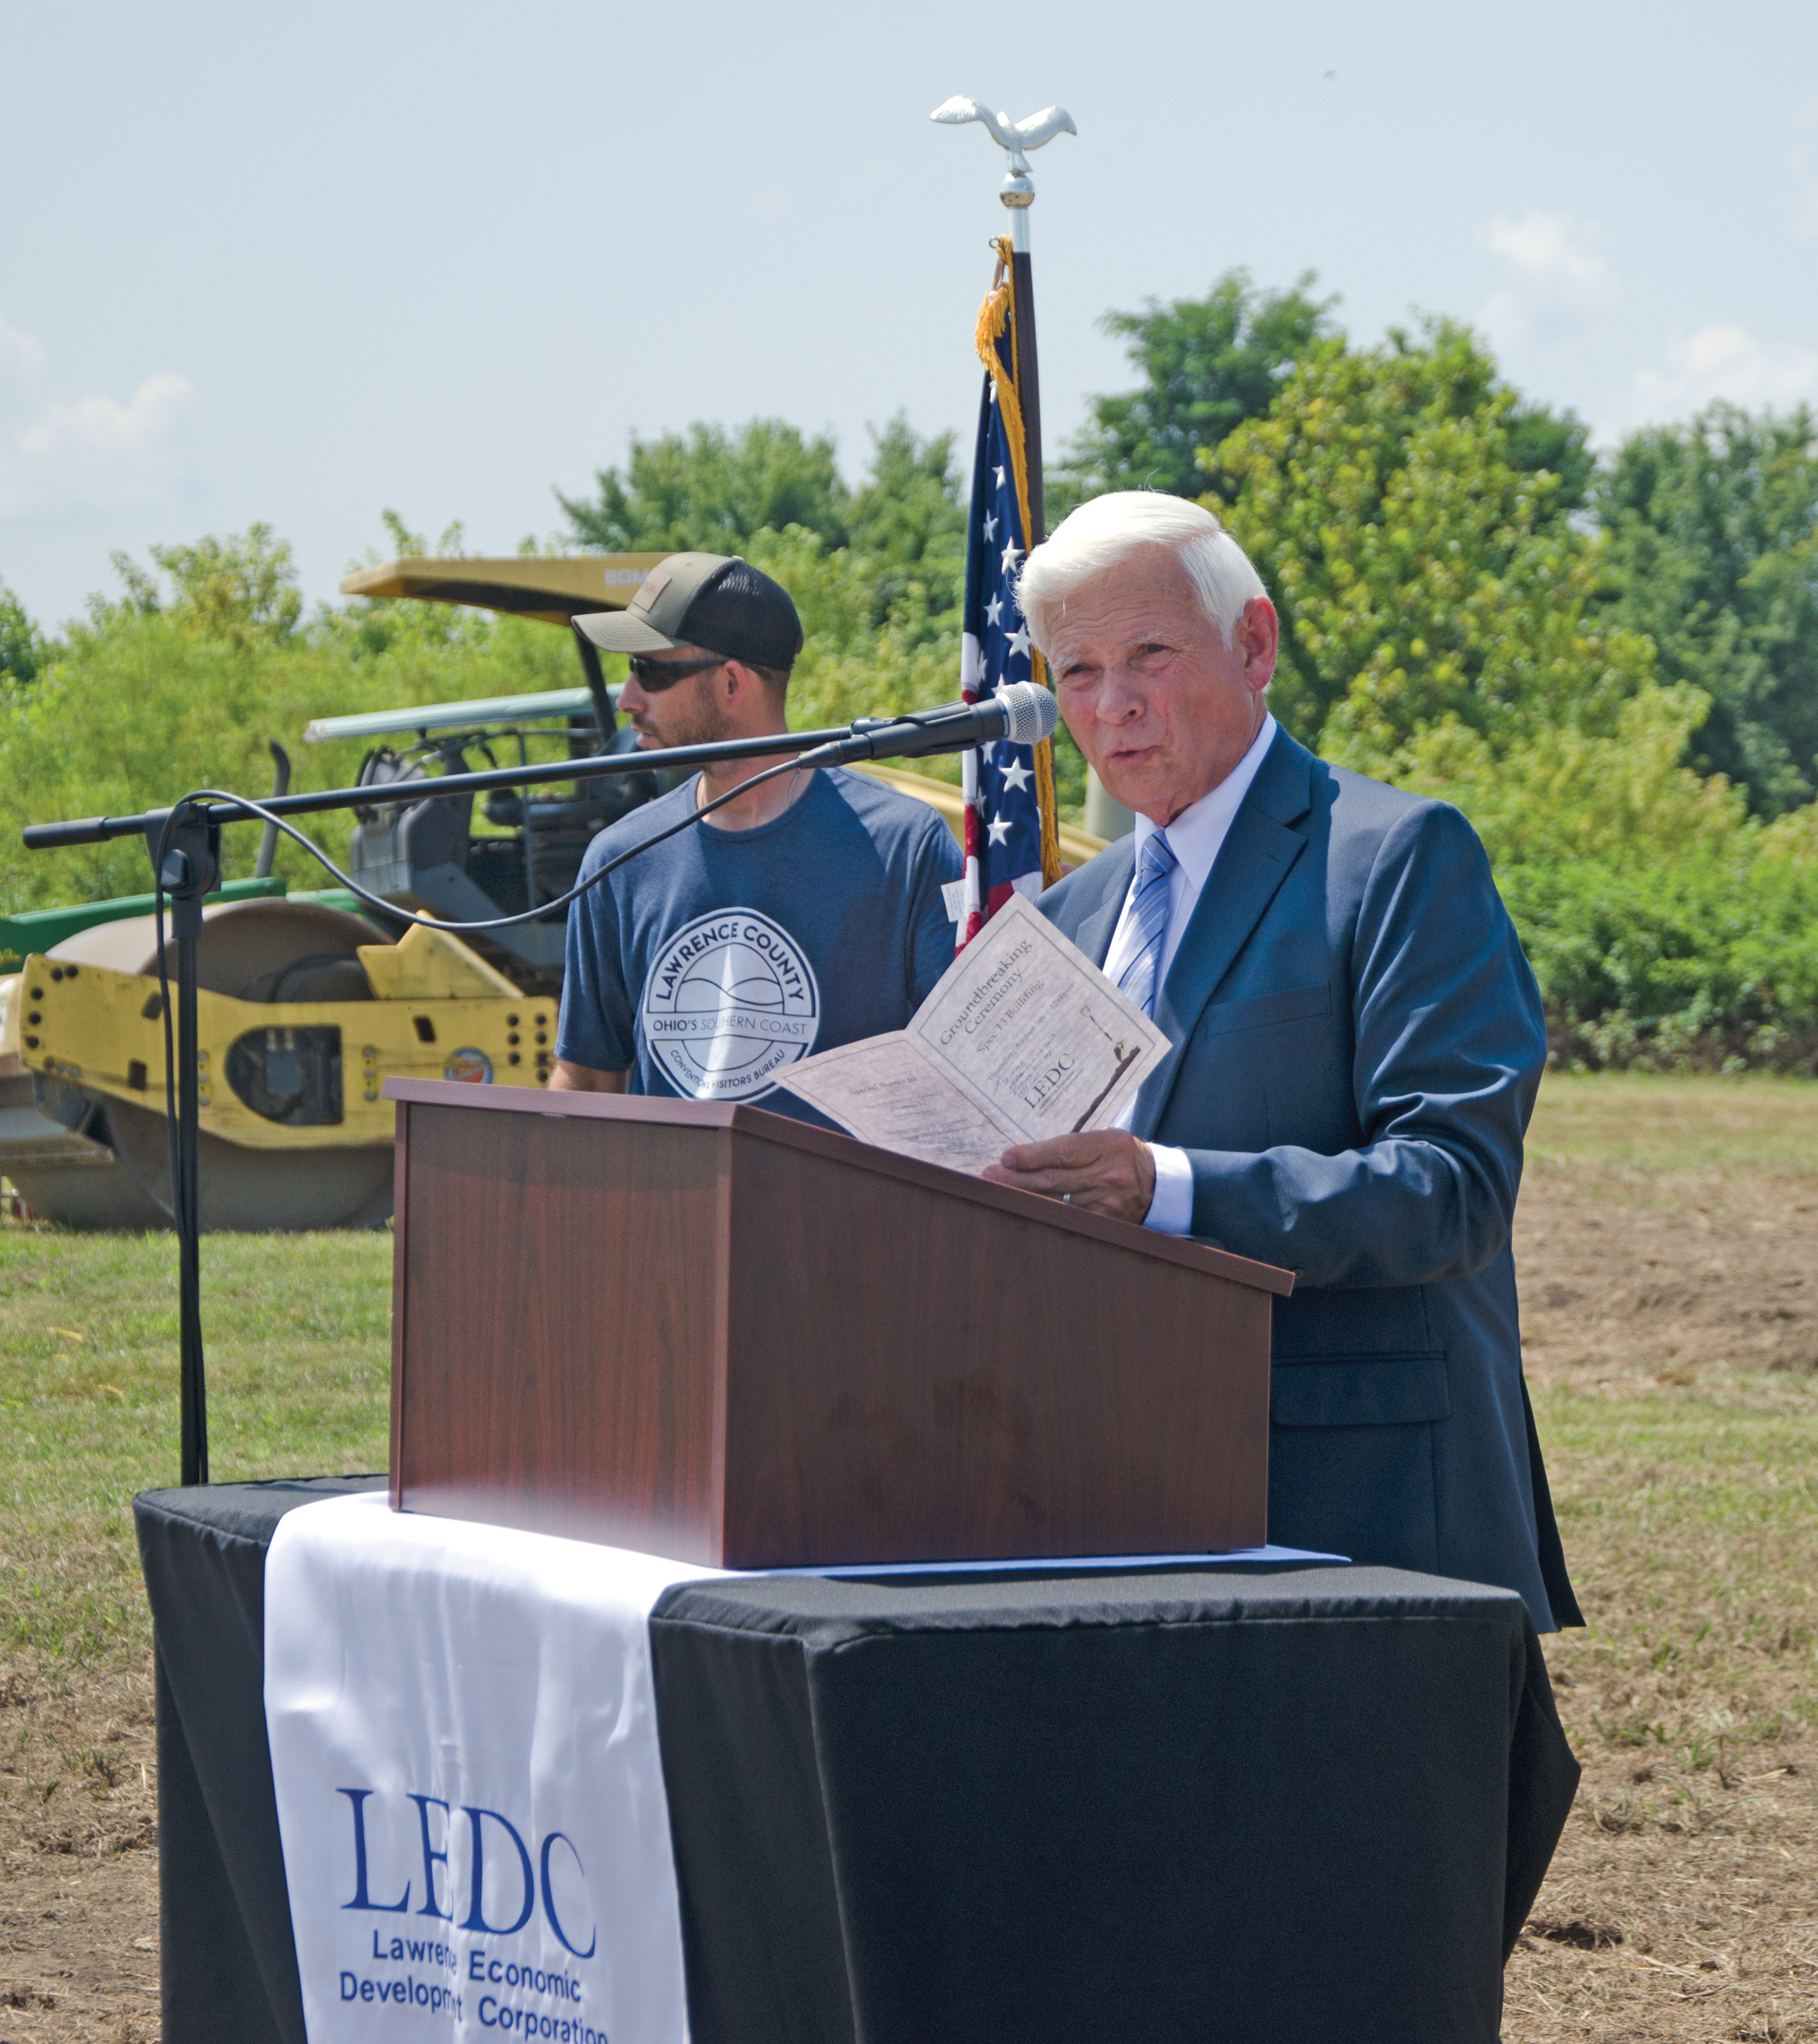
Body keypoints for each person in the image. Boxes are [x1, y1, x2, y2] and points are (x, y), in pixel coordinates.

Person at [987, 493, 1579, 1631]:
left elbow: (1449, 1192)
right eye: (1076, 674)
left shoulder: (1398, 858)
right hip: (1111, 1500)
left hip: (1360, 1515)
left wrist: (1166, 1187)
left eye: (1148, 656)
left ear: (1254, 644)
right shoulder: (1063, 922)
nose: (1111, 708)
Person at [551, 553, 963, 1118]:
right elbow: (587, 1078)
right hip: (677, 1208)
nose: (628, 699)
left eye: (650, 671)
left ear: (729, 682)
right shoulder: (620, 860)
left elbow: (966, 1063)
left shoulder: (906, 845)